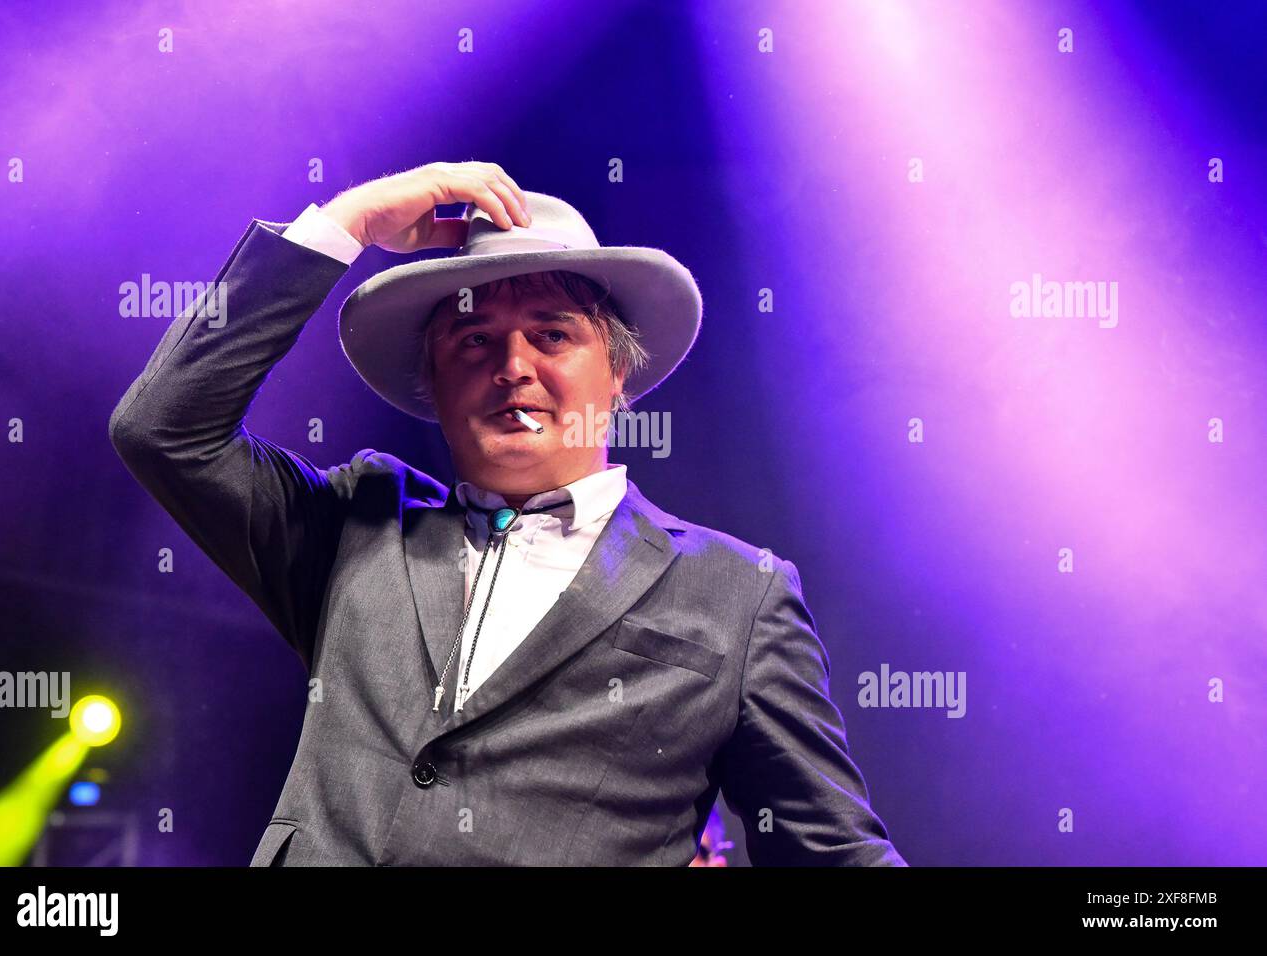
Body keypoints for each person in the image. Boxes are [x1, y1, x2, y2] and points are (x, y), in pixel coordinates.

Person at [108, 161, 907, 866]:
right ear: (434, 383)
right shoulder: (357, 523)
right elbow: (162, 429)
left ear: (618, 372)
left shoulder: (739, 596)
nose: (513, 367)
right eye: (473, 341)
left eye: (552, 335)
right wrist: (348, 222)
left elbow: (829, 850)